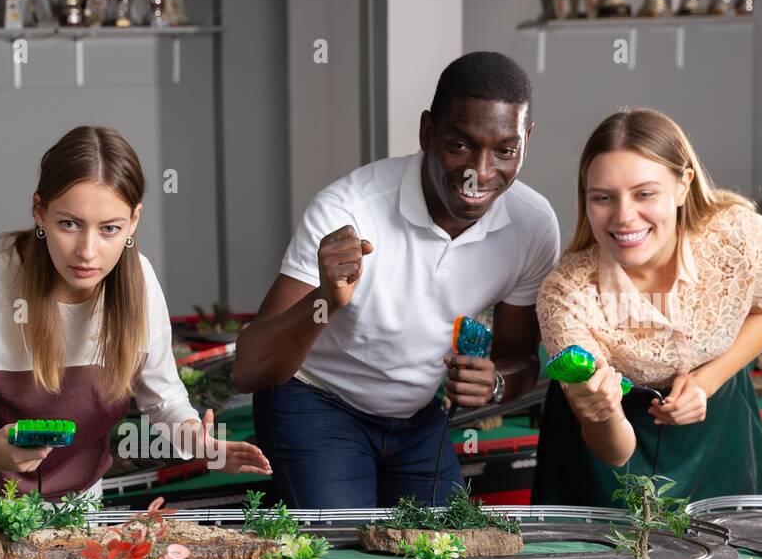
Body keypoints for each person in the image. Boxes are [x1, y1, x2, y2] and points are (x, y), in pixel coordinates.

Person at [235, 51, 560, 509]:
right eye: (460, 145)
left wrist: (497, 383)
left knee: (445, 544)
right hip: (316, 402)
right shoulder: (348, 209)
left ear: (526, 140)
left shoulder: (533, 224)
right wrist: (325, 299)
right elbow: (250, 368)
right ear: (428, 132)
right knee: (346, 547)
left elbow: (519, 357)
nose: (481, 172)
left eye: (505, 151)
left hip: (418, 417)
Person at [0, 125, 269, 506]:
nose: (87, 252)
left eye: (109, 229)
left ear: (133, 221)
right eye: (69, 224)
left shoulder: (140, 284)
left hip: (81, 511)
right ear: (40, 212)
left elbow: (165, 402)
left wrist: (201, 443)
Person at [532, 107, 762, 506]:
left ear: (683, 185)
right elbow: (615, 452)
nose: (624, 216)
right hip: (607, 452)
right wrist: (602, 411)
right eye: (603, 197)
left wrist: (707, 382)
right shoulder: (566, 293)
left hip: (721, 424)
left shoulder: (741, 237)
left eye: (644, 193)